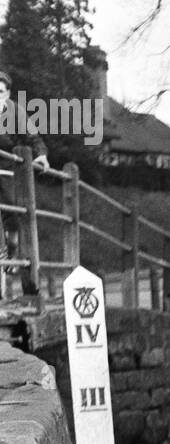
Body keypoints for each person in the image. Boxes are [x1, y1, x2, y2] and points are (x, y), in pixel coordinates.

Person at [0, 70, 50, 298]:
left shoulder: (14, 112)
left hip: (6, 169)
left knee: (13, 213)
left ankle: (11, 254)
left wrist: (41, 155)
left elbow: (33, 137)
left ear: (7, 93)